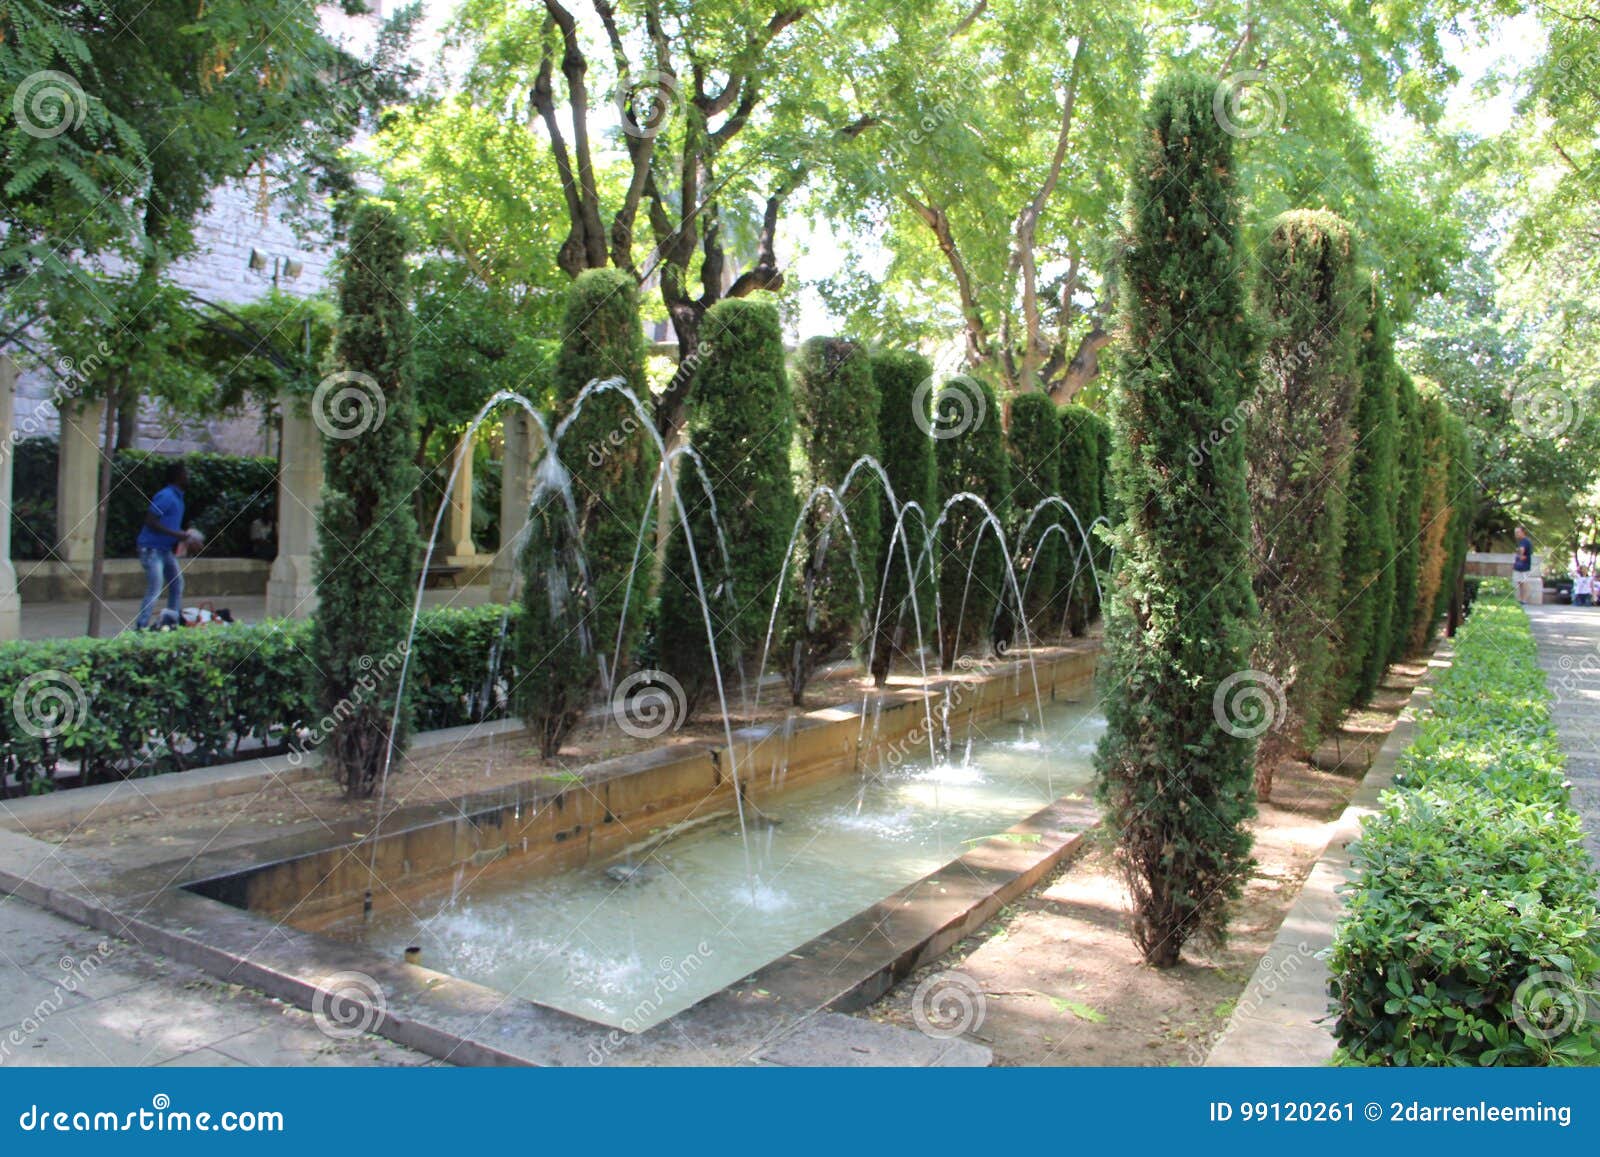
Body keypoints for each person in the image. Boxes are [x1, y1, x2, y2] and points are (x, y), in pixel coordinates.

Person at [135, 462, 199, 629]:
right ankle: (141, 627)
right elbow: (150, 520)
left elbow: (168, 525)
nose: (188, 477)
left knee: (177, 584)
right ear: (178, 477)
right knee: (155, 588)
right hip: (151, 549)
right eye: (186, 473)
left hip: (164, 550)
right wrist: (179, 535)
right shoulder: (166, 496)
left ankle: (171, 622)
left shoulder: (178, 498)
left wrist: (185, 537)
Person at [1512, 525, 1537, 604]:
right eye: (1515, 532)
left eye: (1518, 532)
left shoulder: (1524, 541)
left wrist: (1518, 552)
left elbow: (1521, 551)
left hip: (1523, 566)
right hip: (1520, 565)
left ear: (1523, 532)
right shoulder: (1523, 541)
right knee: (1520, 582)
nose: (1516, 534)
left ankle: (1524, 599)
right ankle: (1522, 599)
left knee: (1524, 582)